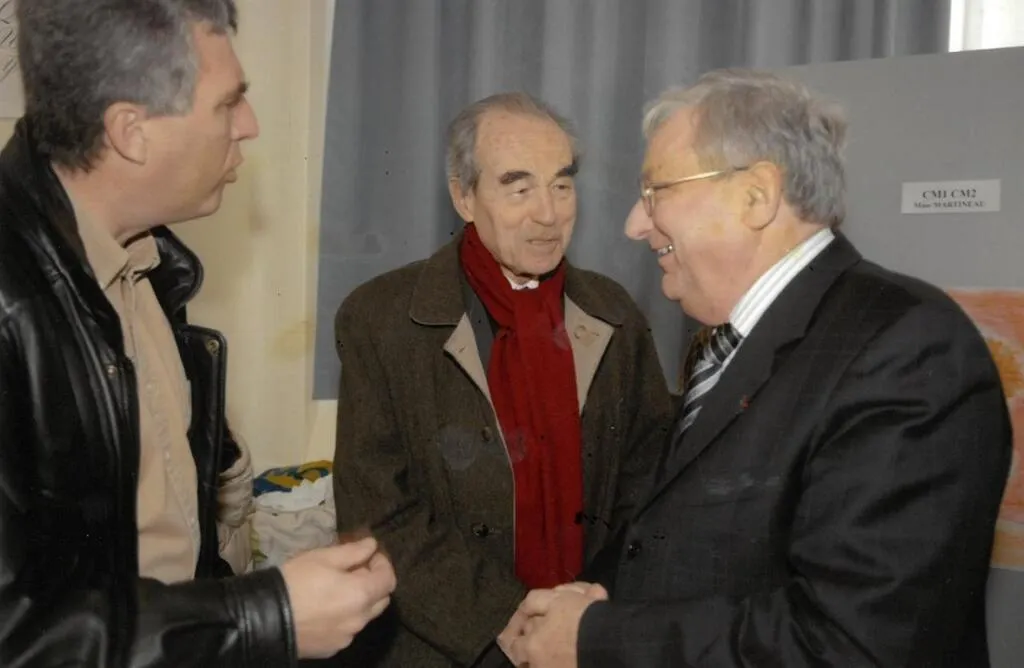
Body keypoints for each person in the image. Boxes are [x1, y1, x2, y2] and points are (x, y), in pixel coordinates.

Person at [503, 69, 1013, 667]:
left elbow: (850, 643)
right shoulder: (735, 343)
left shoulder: (907, 346)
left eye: (655, 192)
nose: (634, 225)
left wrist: (596, 638)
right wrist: (582, 605)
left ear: (756, 196)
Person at [0, 1, 395, 665]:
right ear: (132, 131)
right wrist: (270, 614)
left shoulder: (147, 266)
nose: (251, 126)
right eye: (228, 104)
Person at [331, 91, 674, 667]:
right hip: (445, 646)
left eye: (562, 185)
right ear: (463, 196)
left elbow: (650, 485)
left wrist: (584, 614)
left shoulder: (612, 313)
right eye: (518, 187)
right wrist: (503, 621)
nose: (548, 212)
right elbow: (379, 515)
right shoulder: (382, 318)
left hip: (586, 637)